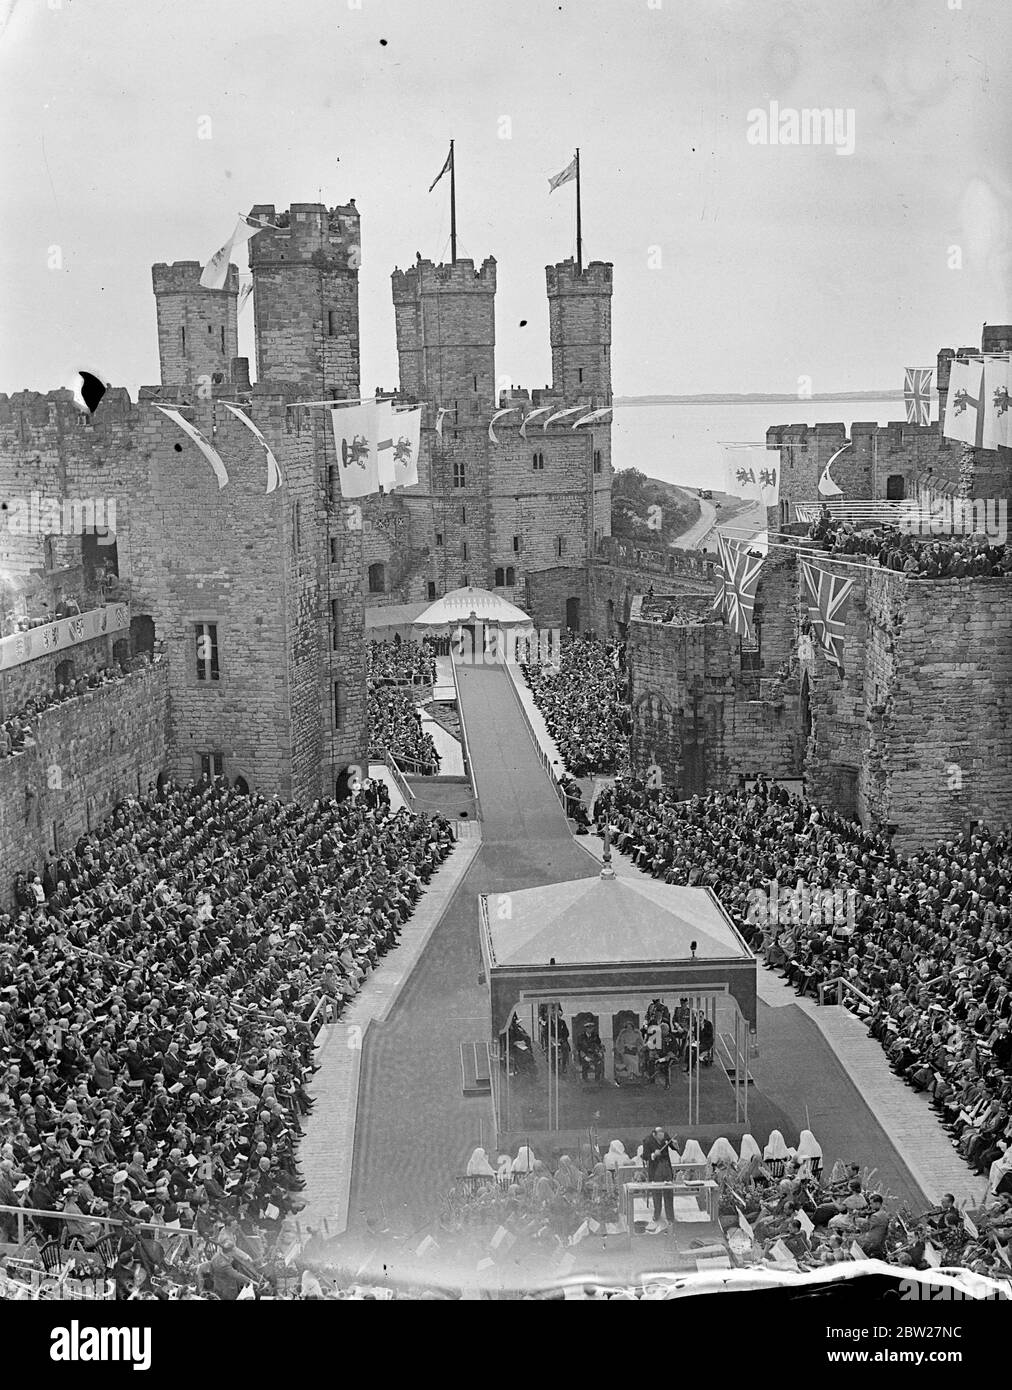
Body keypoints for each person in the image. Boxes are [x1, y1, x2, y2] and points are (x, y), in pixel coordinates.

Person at [642, 1125, 677, 1233]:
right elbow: (644, 1156)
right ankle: (657, 1214)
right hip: (655, 1168)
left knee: (669, 1192)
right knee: (656, 1192)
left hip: (666, 1167)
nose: (662, 1136)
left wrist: (675, 1144)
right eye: (660, 1135)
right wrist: (653, 1154)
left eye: (663, 1134)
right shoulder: (647, 1141)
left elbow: (673, 1147)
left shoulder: (665, 1136)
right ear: (654, 1134)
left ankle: (670, 1216)